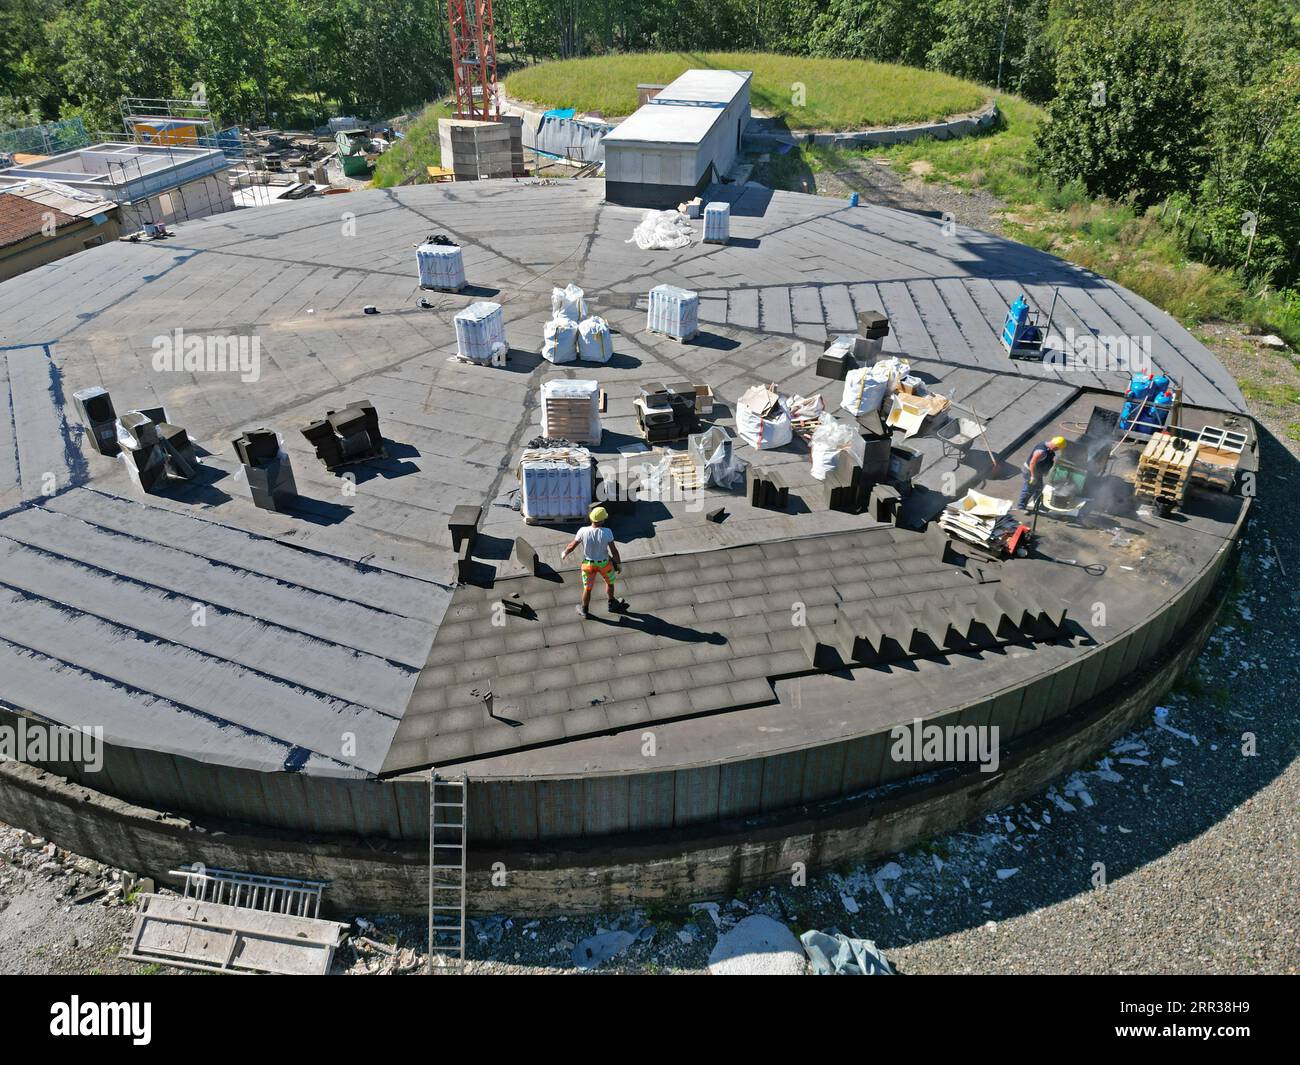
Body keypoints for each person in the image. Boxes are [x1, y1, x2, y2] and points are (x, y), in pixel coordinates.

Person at [561, 506, 628, 619]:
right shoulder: (607, 532)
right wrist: (619, 564)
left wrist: (565, 553)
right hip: (604, 564)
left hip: (588, 565)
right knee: (609, 583)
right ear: (601, 520)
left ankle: (584, 609)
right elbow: (614, 551)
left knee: (587, 588)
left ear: (591, 519)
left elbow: (572, 546)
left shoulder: (583, 531)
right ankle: (611, 603)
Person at [1018, 436, 1067, 510]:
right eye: (1057, 448)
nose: (1057, 450)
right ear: (1055, 445)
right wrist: (1032, 476)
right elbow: (1032, 463)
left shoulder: (1048, 447)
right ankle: (1021, 506)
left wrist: (1045, 471)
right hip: (1030, 471)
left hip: (1037, 473)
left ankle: (1039, 505)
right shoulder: (1041, 451)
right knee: (1029, 489)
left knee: (1039, 488)